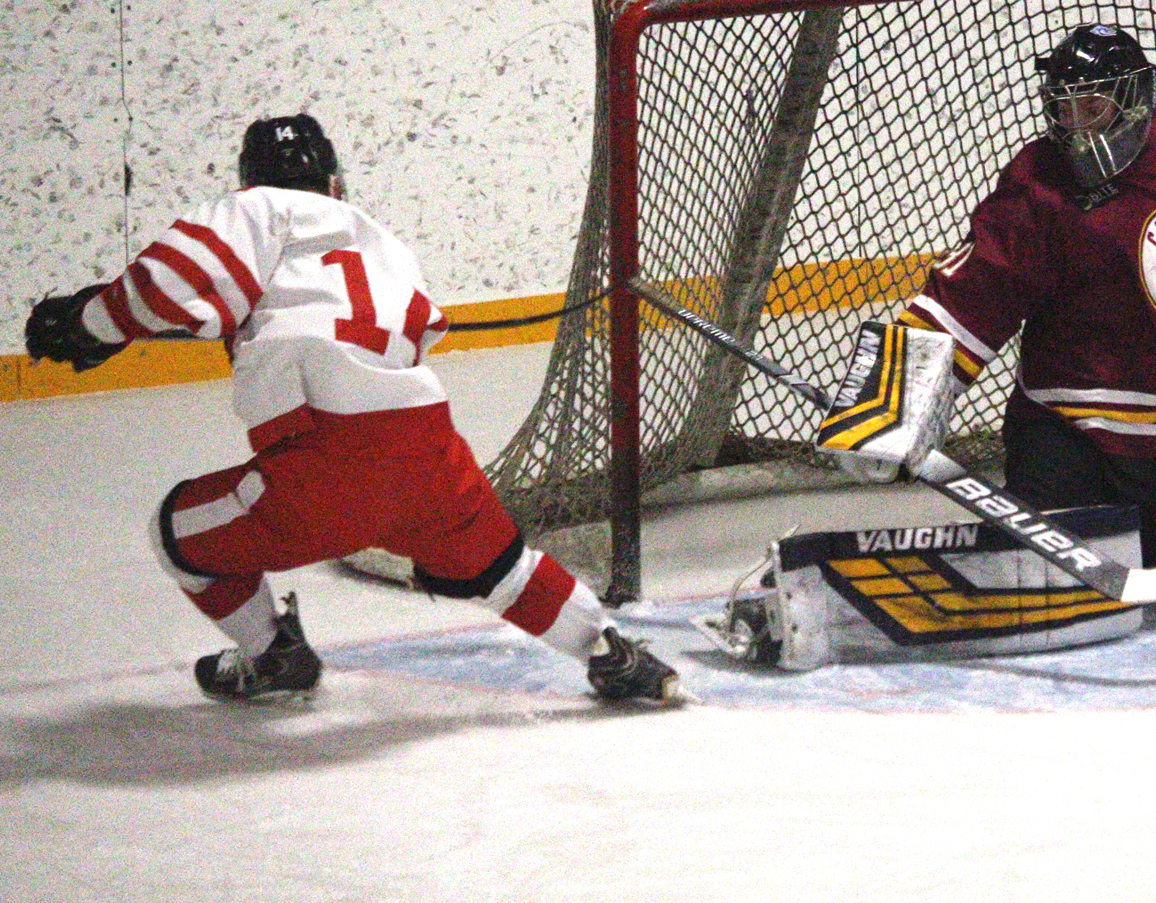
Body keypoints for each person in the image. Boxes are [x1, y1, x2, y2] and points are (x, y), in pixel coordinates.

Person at [24, 113, 681, 704]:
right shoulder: (384, 242)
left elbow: (167, 281)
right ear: (336, 182)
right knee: (503, 570)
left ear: (252, 181)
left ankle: (273, 654)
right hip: (429, 450)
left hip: (320, 462)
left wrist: (89, 323)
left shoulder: (256, 211)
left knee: (178, 534)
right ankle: (615, 655)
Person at [890, 24, 1156, 571]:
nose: (1073, 129)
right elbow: (970, 295)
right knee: (1048, 564)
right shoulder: (1036, 185)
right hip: (1075, 436)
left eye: (1089, 109)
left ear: (1134, 102)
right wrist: (897, 399)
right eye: (1061, 111)